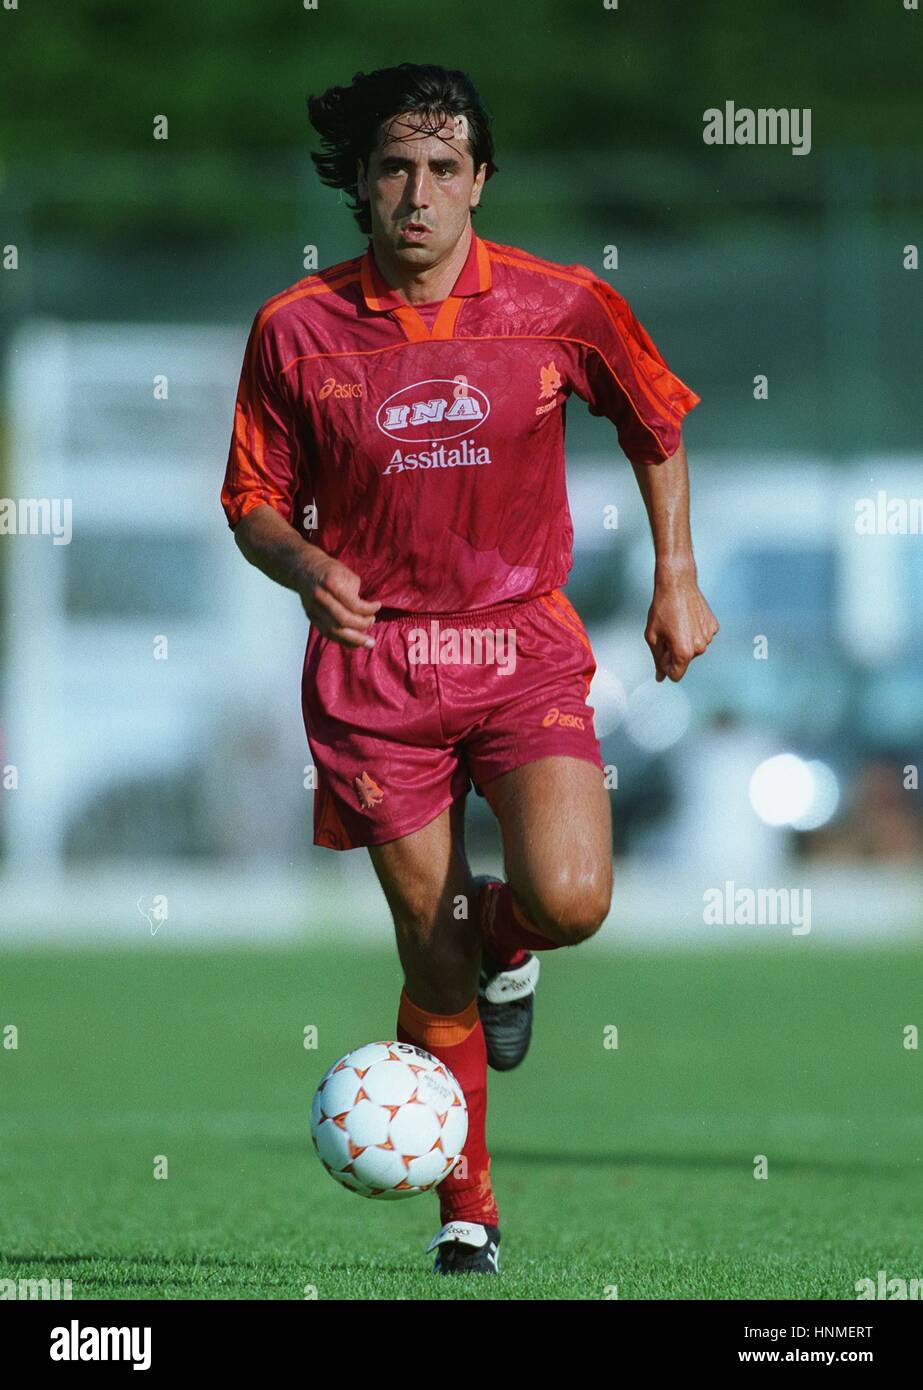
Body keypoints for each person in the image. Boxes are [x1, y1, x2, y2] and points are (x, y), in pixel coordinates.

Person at [221, 62, 718, 1275]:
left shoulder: (562, 304)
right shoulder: (298, 327)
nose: (418, 193)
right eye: (393, 167)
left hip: (515, 650)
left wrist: (672, 575)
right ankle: (467, 1210)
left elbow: (653, 420)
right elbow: (248, 499)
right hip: (377, 676)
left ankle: (510, 940)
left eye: (444, 168)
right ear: (360, 182)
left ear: (479, 180)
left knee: (570, 901)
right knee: (426, 953)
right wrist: (301, 565)